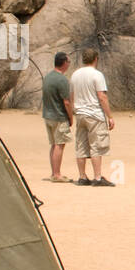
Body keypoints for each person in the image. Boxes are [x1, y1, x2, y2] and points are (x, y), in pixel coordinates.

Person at [70, 48, 116, 186]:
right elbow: (102, 96)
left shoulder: (75, 75)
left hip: (81, 114)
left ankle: (82, 176)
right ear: (96, 59)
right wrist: (110, 116)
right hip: (94, 114)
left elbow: (71, 95)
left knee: (81, 145)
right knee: (97, 145)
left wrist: (75, 110)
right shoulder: (97, 75)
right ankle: (97, 177)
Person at [41, 52, 75, 182]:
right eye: (69, 62)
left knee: (54, 144)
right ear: (64, 63)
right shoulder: (62, 80)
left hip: (48, 115)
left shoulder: (48, 77)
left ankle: (53, 172)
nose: (69, 64)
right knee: (59, 145)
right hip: (59, 117)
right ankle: (57, 174)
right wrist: (70, 117)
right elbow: (66, 102)